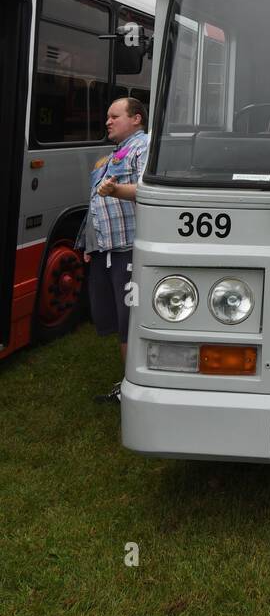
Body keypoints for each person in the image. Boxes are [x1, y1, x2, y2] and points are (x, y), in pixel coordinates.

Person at [76, 96, 149, 404]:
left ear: (136, 119)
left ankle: (137, 388)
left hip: (127, 250)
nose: (107, 121)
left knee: (129, 322)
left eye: (114, 116)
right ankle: (130, 384)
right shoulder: (114, 154)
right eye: (107, 116)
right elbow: (97, 201)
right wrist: (89, 242)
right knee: (118, 320)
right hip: (106, 249)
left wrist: (118, 190)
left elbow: (149, 190)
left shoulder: (143, 146)